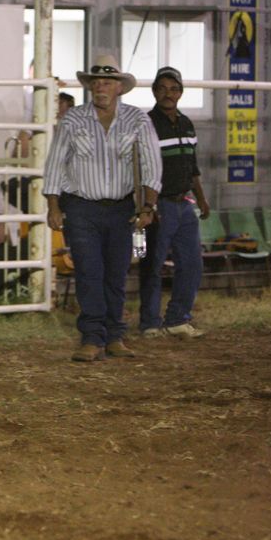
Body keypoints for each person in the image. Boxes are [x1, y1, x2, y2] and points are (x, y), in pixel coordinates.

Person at [44, 55, 161, 362]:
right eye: (96, 82)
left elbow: (151, 163)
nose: (100, 88)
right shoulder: (73, 120)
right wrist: (53, 205)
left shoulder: (137, 120)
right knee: (89, 271)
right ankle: (94, 336)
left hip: (123, 207)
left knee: (116, 272)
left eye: (107, 82)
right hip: (82, 206)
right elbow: (56, 162)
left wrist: (148, 205)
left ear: (119, 87)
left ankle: (114, 334)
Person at [139, 66, 210, 340]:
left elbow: (192, 167)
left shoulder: (186, 123)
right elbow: (143, 167)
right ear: (155, 91)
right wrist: (147, 205)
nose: (169, 94)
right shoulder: (146, 124)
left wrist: (201, 199)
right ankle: (150, 323)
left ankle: (178, 318)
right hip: (160, 206)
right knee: (153, 265)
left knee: (191, 263)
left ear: (181, 92)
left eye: (174, 89)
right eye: (163, 88)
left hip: (184, 204)